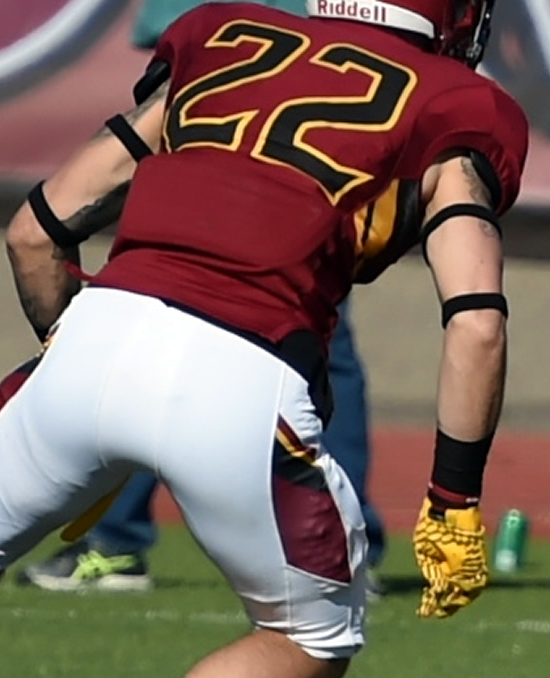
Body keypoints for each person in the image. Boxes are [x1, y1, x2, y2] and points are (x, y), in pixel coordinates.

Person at [0, 0, 526, 678]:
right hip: (245, 383)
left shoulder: (222, 36)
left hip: (101, 331)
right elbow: (476, 319)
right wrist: (453, 500)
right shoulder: (456, 102)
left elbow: (38, 228)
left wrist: (78, 386)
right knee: (314, 635)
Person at [19, 0, 387, 595]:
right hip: (289, 114)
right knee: (297, 335)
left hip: (257, 119)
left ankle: (121, 538)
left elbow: (33, 231)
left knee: (181, 323)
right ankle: (343, 549)